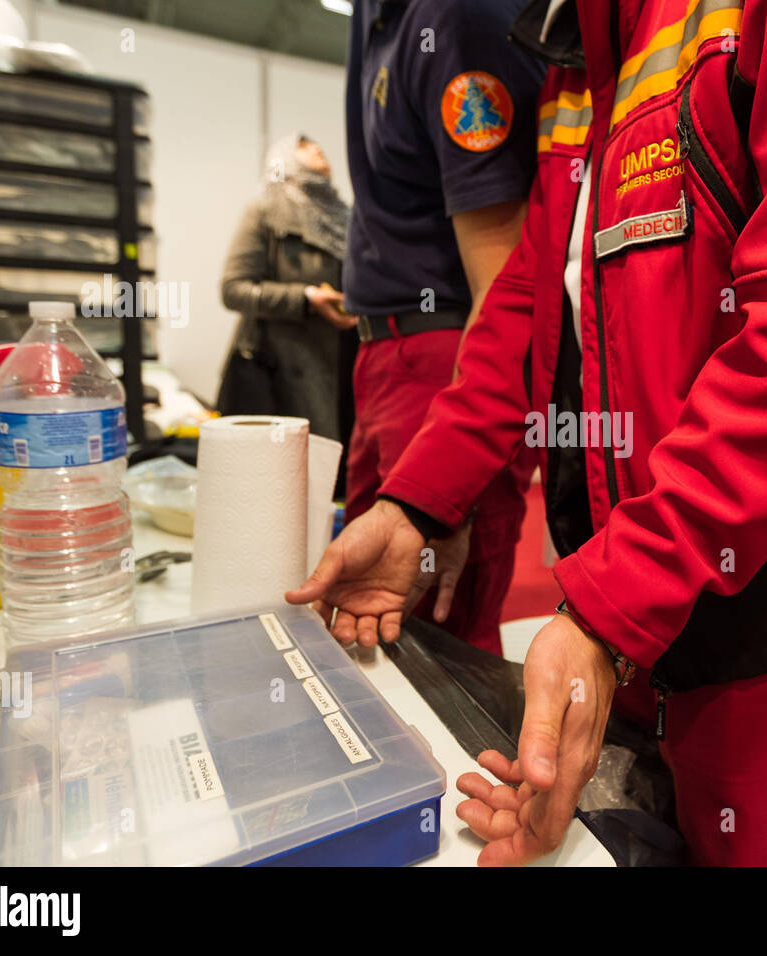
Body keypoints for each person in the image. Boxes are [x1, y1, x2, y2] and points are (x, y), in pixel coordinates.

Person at [290, 0, 767, 866]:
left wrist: (616, 600)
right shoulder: (582, 39)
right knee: (652, 829)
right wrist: (417, 500)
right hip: (650, 554)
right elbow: (530, 299)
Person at [334, 0, 544, 654]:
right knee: (368, 632)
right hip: (384, 353)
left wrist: (452, 489)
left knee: (432, 644)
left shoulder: (458, 15)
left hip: (447, 359)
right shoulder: (375, 15)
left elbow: (506, 280)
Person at [218, 133, 358, 460]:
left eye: (315, 142)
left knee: (336, 479)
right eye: (303, 144)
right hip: (282, 374)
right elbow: (233, 289)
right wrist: (306, 298)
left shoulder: (347, 217)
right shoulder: (266, 209)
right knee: (283, 477)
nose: (315, 146)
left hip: (346, 367)